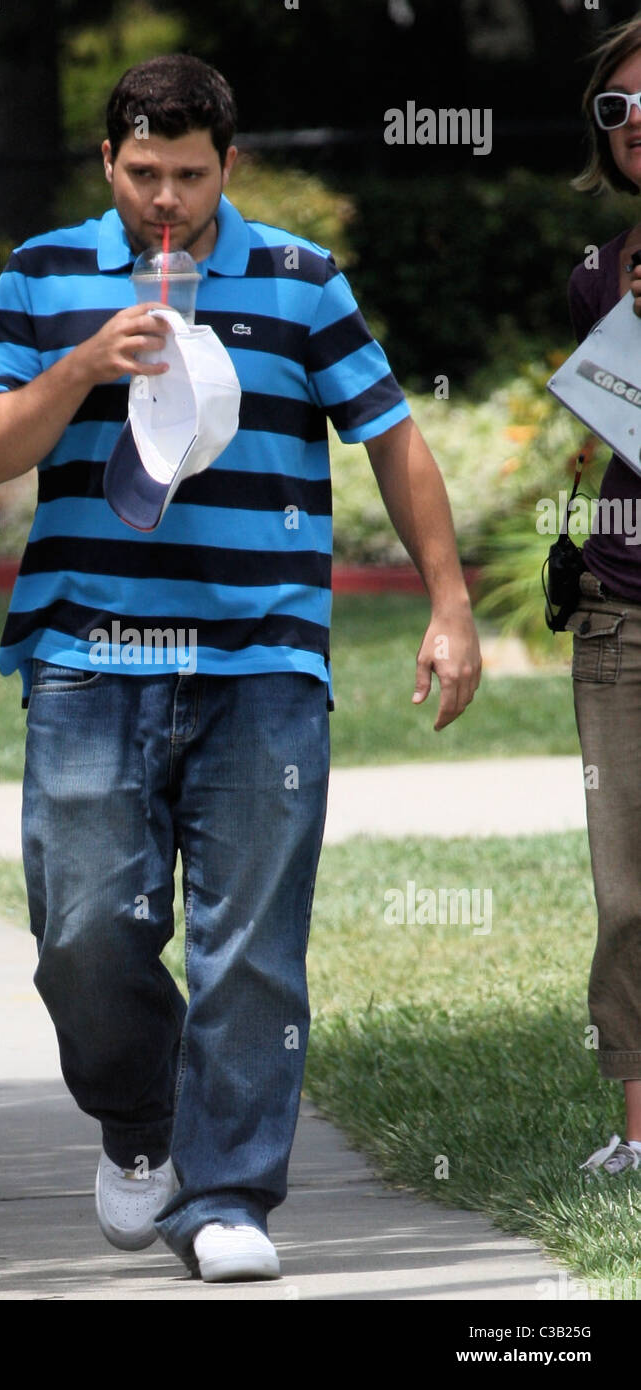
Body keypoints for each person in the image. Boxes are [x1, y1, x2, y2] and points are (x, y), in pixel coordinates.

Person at [0, 53, 480, 1280]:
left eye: (189, 175)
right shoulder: (42, 274)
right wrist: (82, 364)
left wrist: (448, 602)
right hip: (90, 659)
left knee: (250, 948)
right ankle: (141, 1126)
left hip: (262, 662)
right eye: (143, 173)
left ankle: (229, 1191)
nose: (165, 200)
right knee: (83, 937)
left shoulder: (300, 280)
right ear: (106, 162)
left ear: (227, 165)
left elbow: (392, 440)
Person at [566, 17, 641, 1178]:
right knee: (628, 889)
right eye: (617, 110)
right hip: (620, 611)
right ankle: (638, 1132)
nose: (635, 128)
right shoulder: (594, 273)